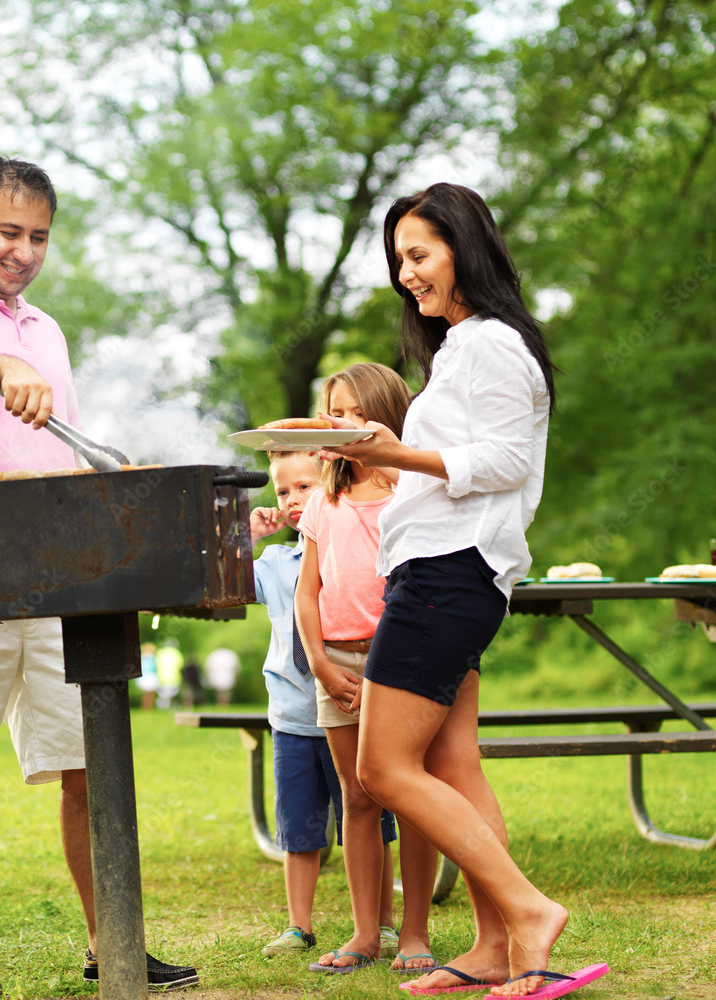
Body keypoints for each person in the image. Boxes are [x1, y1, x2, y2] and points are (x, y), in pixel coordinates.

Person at [0, 155, 198, 999]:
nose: (23, 252)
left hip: (56, 574)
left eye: (39, 237)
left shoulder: (47, 331)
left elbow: (47, 444)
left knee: (87, 759)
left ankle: (114, 944)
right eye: (8, 233)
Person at [322, 183, 569, 997]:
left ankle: (528, 911)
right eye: (400, 260)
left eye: (419, 254)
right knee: (455, 762)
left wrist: (392, 455)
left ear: (464, 248)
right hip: (443, 569)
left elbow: (502, 463)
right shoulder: (463, 347)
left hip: (448, 571)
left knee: (384, 770)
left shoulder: (491, 344)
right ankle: (497, 947)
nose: (407, 275)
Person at [294, 363, 438, 975]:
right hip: (340, 662)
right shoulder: (324, 501)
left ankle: (414, 933)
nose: (341, 424)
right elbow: (308, 593)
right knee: (356, 797)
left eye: (354, 412)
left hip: (399, 657)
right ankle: (363, 933)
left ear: (383, 417)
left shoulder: (413, 492)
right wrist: (321, 664)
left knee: (410, 794)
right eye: (334, 412)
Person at [248, 450, 341, 958]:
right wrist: (249, 535)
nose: (293, 500)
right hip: (293, 719)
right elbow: (224, 579)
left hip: (350, 714)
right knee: (300, 830)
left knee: (365, 821)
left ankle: (381, 923)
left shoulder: (352, 555)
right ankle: (299, 925)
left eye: (305, 486)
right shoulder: (276, 564)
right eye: (284, 491)